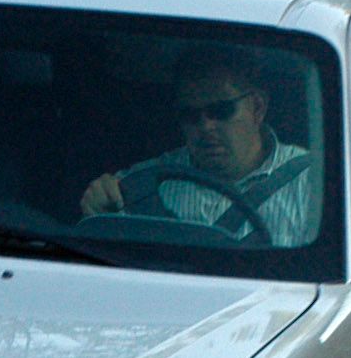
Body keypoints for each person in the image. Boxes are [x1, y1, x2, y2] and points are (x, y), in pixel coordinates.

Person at [79, 55, 317, 245]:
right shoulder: (146, 184)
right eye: (190, 115)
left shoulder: (315, 184)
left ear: (257, 108)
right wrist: (99, 201)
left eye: (220, 111)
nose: (205, 126)